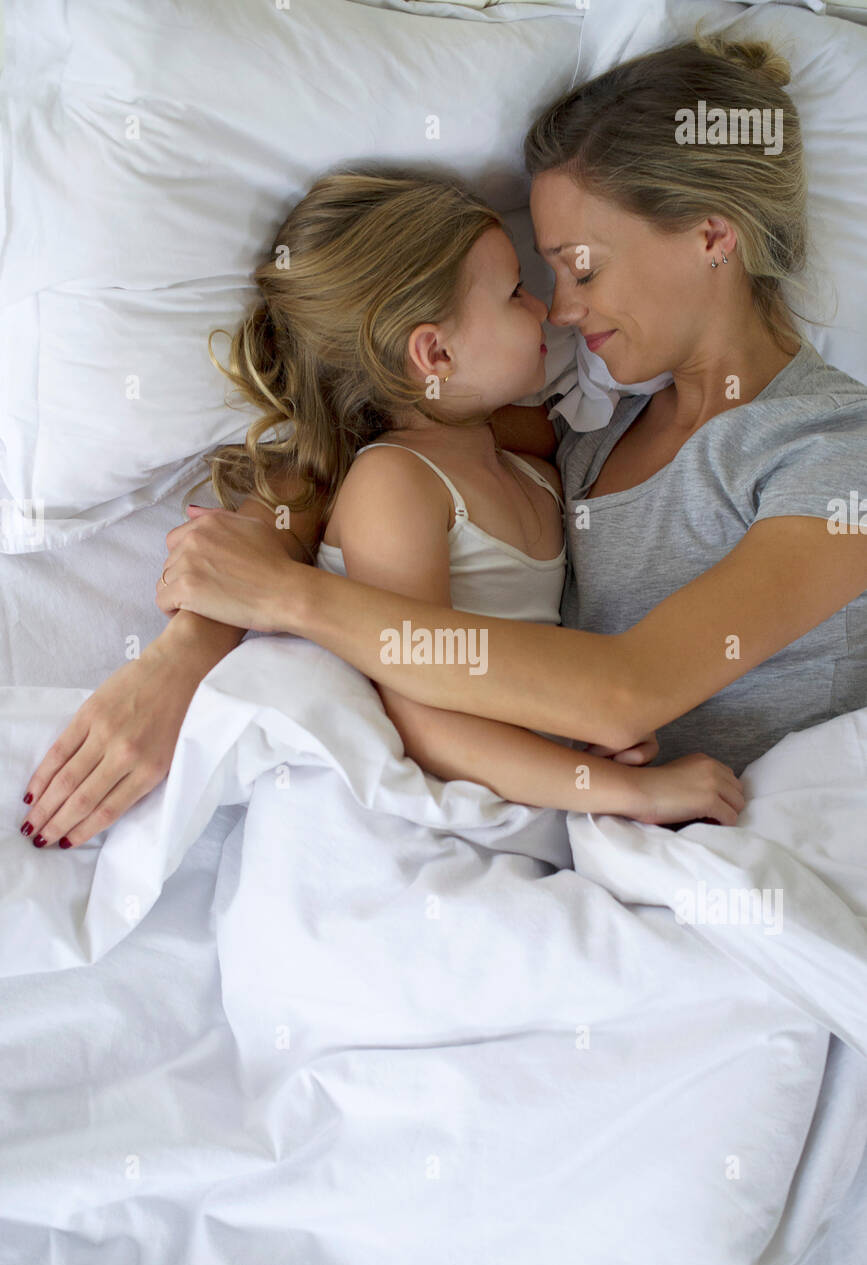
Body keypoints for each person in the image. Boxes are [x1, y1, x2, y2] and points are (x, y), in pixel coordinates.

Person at [20, 34, 866, 849]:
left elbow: (624, 694)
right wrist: (190, 646)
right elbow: (347, 449)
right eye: (543, 276)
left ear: (711, 237)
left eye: (583, 269)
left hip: (773, 837)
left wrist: (284, 598)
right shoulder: (591, 437)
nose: (561, 311)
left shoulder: (834, 454)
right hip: (602, 838)